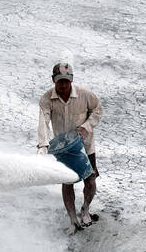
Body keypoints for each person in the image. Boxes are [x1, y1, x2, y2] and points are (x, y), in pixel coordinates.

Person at [37, 62, 102, 231]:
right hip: (63, 148)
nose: (63, 85)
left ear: (71, 80)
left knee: (90, 178)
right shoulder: (46, 100)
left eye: (66, 81)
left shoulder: (84, 94)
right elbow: (43, 121)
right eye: (60, 81)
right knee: (68, 181)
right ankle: (73, 219)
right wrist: (43, 145)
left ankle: (85, 210)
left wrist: (85, 127)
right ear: (53, 80)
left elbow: (98, 110)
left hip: (85, 145)